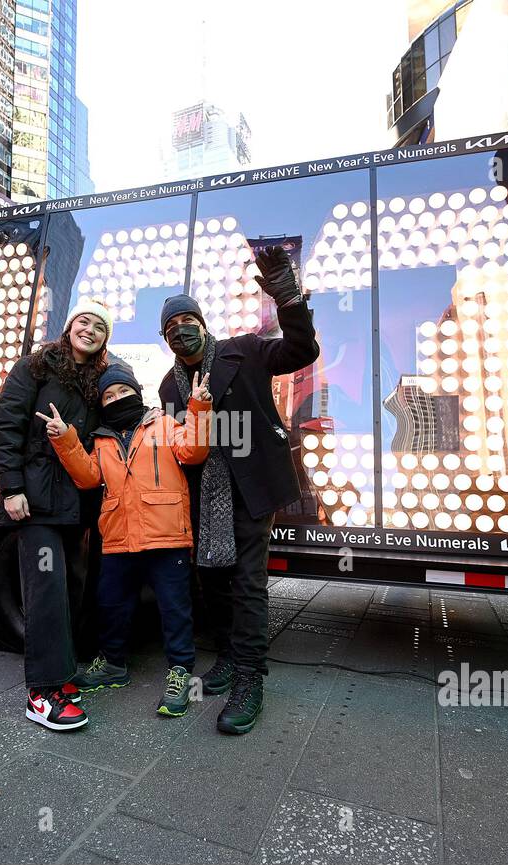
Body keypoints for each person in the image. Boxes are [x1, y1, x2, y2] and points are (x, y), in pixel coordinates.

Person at [156, 244, 318, 735]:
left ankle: (251, 678)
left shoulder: (242, 350)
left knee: (248, 583)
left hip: (251, 488)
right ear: (165, 338)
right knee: (213, 581)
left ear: (202, 322)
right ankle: (227, 656)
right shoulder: (168, 386)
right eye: (170, 327)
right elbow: (180, 441)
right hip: (204, 493)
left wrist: (288, 296)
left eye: (187, 319)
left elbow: (301, 350)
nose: (181, 329)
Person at [42, 363, 212, 717]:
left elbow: (193, 452)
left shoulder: (164, 424)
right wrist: (65, 438)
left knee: (175, 609)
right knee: (111, 604)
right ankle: (113, 666)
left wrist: (199, 408)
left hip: (167, 536)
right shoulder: (101, 440)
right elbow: (88, 478)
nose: (116, 398)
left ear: (136, 391)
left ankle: (180, 671)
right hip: (119, 536)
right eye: (108, 395)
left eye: (122, 391)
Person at [0, 298, 112, 731]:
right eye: (84, 321)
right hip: (36, 502)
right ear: (69, 324)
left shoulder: (97, 381)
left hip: (73, 508)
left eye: (99, 326)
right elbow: (3, 425)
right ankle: (41, 694)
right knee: (44, 590)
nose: (90, 330)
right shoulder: (35, 367)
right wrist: (12, 488)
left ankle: (62, 672)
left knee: (69, 590)